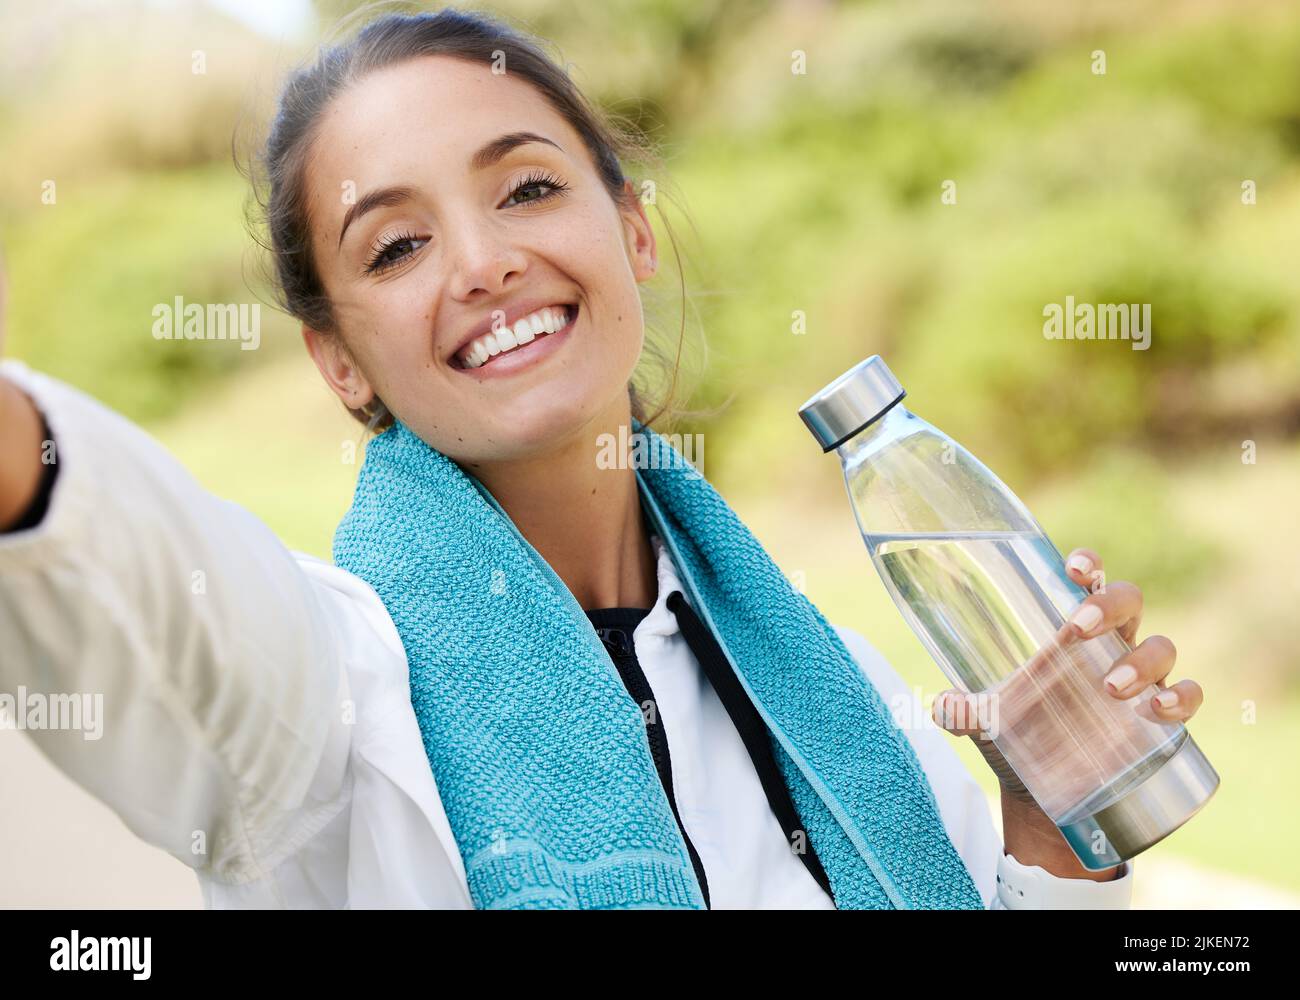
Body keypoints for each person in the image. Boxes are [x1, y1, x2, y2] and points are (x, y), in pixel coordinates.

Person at [0, 8, 1202, 910]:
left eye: (526, 187)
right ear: (338, 360)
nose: (481, 262)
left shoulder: (829, 687)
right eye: (397, 245)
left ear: (631, 233)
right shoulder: (341, 690)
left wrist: (1049, 842)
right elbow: (151, 583)